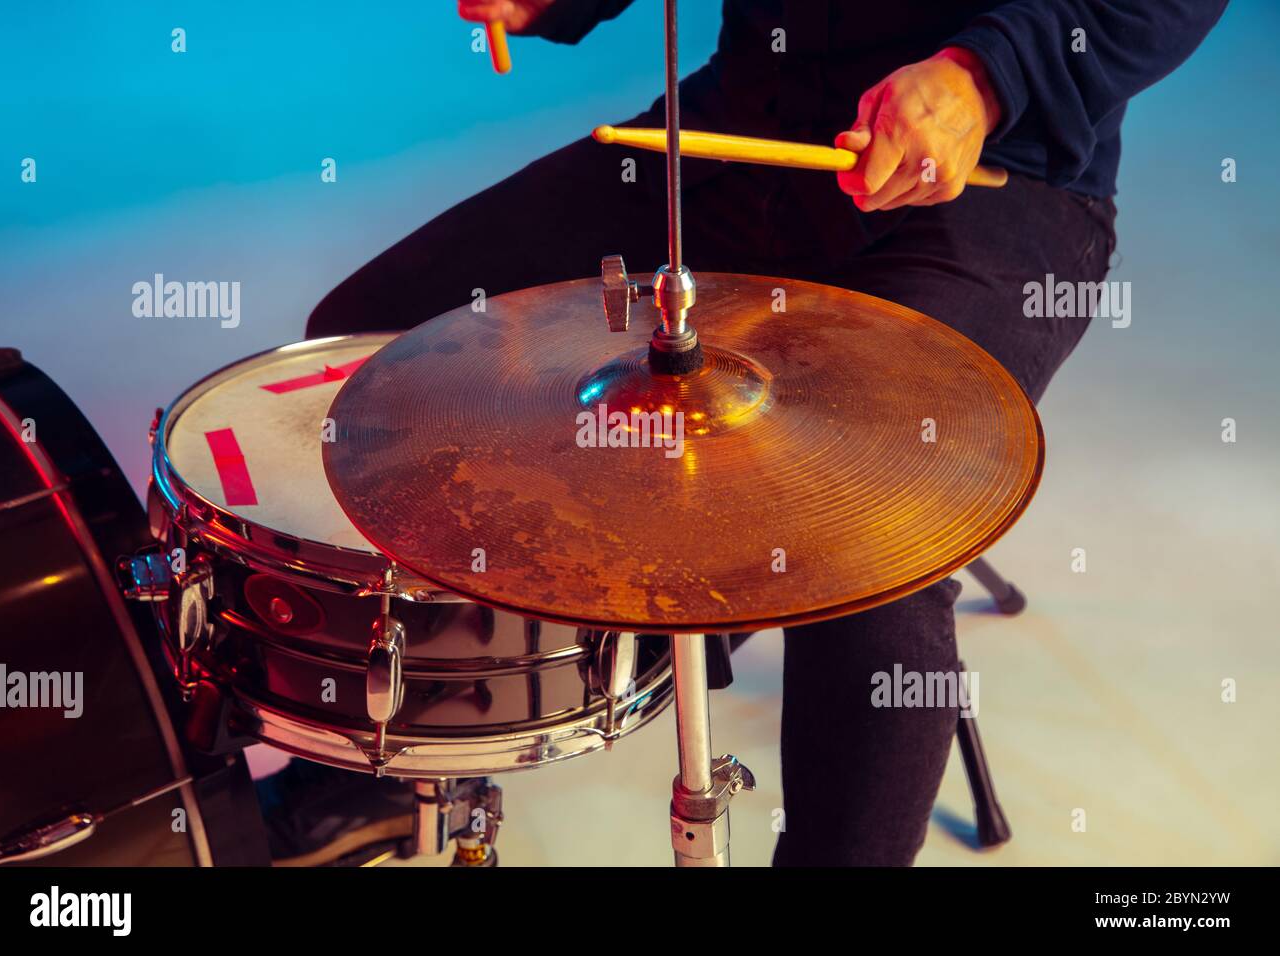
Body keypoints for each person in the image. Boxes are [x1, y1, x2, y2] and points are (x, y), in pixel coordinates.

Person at [261, 0, 1226, 866]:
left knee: (867, 530)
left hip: (993, 178)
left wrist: (987, 75)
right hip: (744, 128)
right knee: (366, 360)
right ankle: (381, 771)